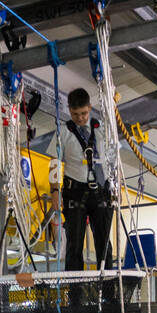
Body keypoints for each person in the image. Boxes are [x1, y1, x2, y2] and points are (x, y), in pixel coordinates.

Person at [50, 88, 114, 273]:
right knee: (74, 245)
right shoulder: (63, 132)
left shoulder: (101, 130)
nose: (80, 118)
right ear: (69, 110)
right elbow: (54, 163)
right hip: (75, 193)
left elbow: (112, 160)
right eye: (75, 114)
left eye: (84, 113)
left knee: (104, 245)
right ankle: (75, 297)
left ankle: (109, 294)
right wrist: (55, 191)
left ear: (90, 108)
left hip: (101, 192)